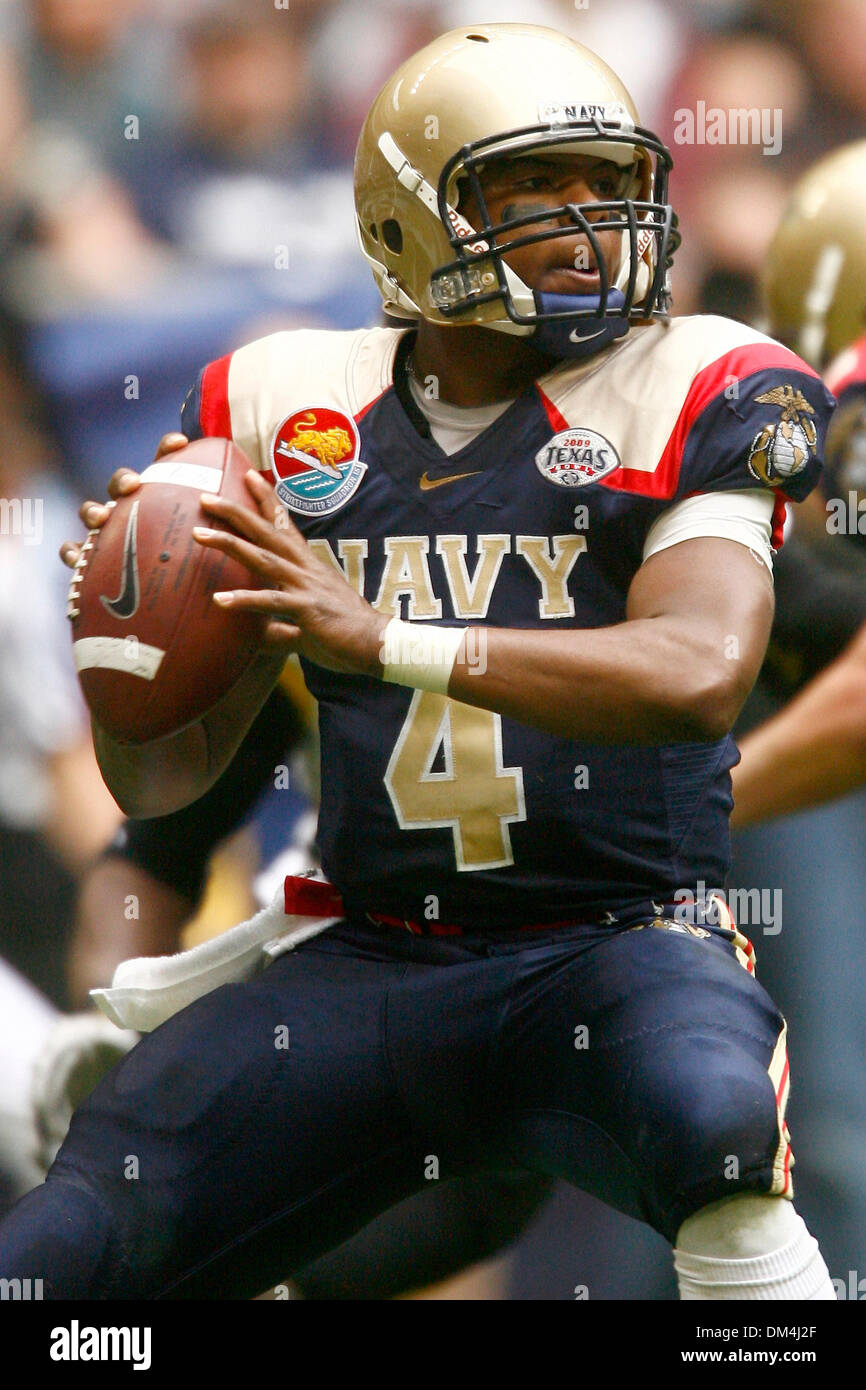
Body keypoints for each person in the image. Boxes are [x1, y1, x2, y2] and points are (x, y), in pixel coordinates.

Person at [0, 23, 837, 1300]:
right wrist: (140, 633)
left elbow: (697, 669)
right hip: (375, 954)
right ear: (410, 222)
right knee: (68, 1249)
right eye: (533, 188)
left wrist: (380, 635)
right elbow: (158, 793)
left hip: (613, 943)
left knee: (713, 1122)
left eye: (606, 183)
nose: (586, 225)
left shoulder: (692, 381)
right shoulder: (282, 406)